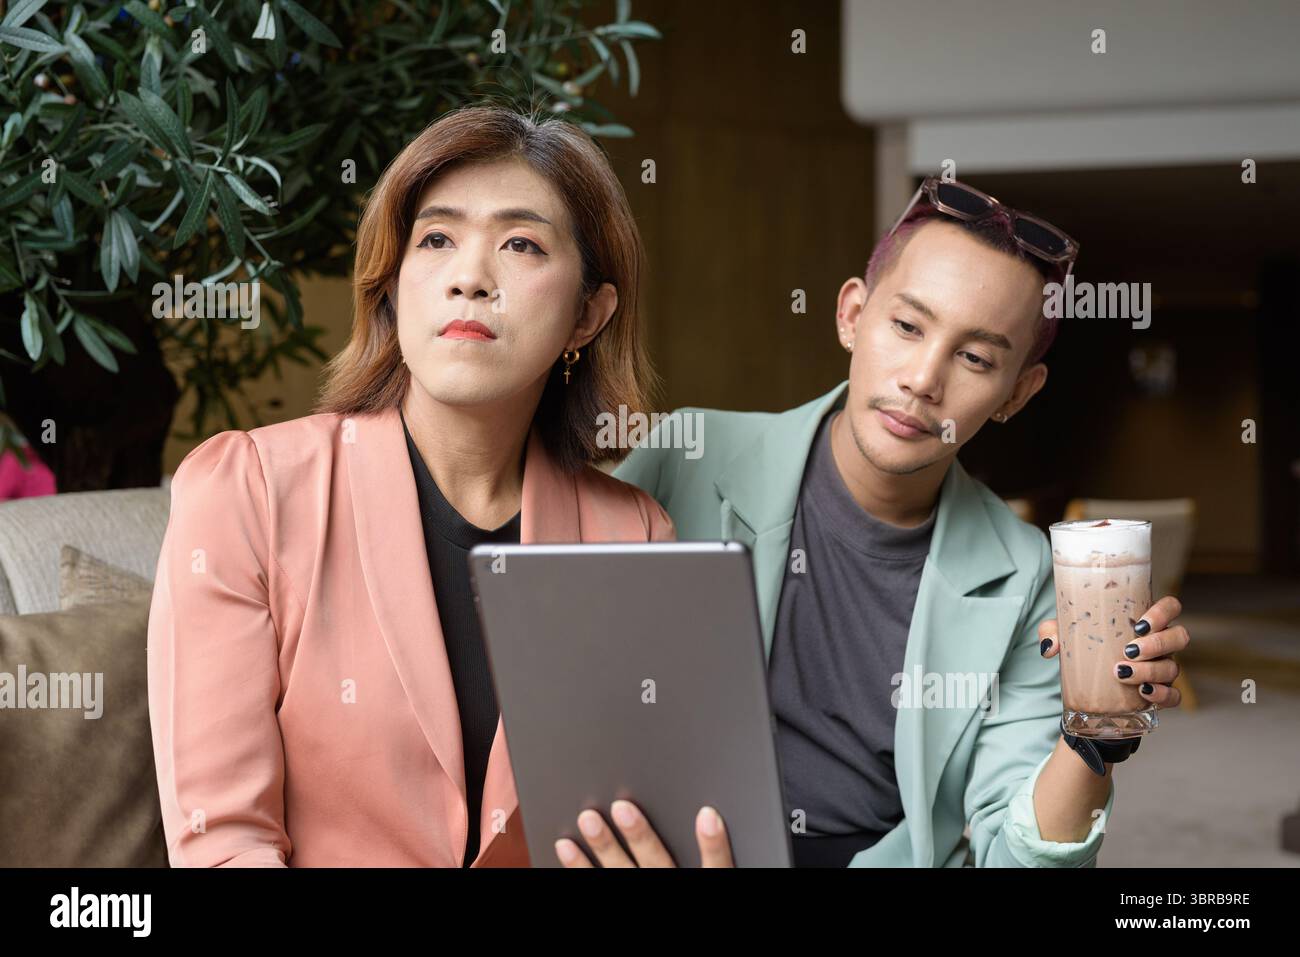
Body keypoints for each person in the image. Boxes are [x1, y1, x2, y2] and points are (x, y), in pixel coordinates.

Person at [556, 176, 1191, 868]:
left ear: (1016, 394)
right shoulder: (685, 457)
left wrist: (1090, 740)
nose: (924, 378)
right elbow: (571, 673)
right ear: (852, 316)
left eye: (976, 358)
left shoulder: (1026, 572)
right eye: (907, 326)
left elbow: (1018, 856)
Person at [147, 106, 673, 868]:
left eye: (521, 244)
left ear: (587, 315)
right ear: (393, 287)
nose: (469, 277)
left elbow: (634, 821)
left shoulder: (636, 539)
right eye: (436, 239)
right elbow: (224, 842)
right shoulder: (247, 494)